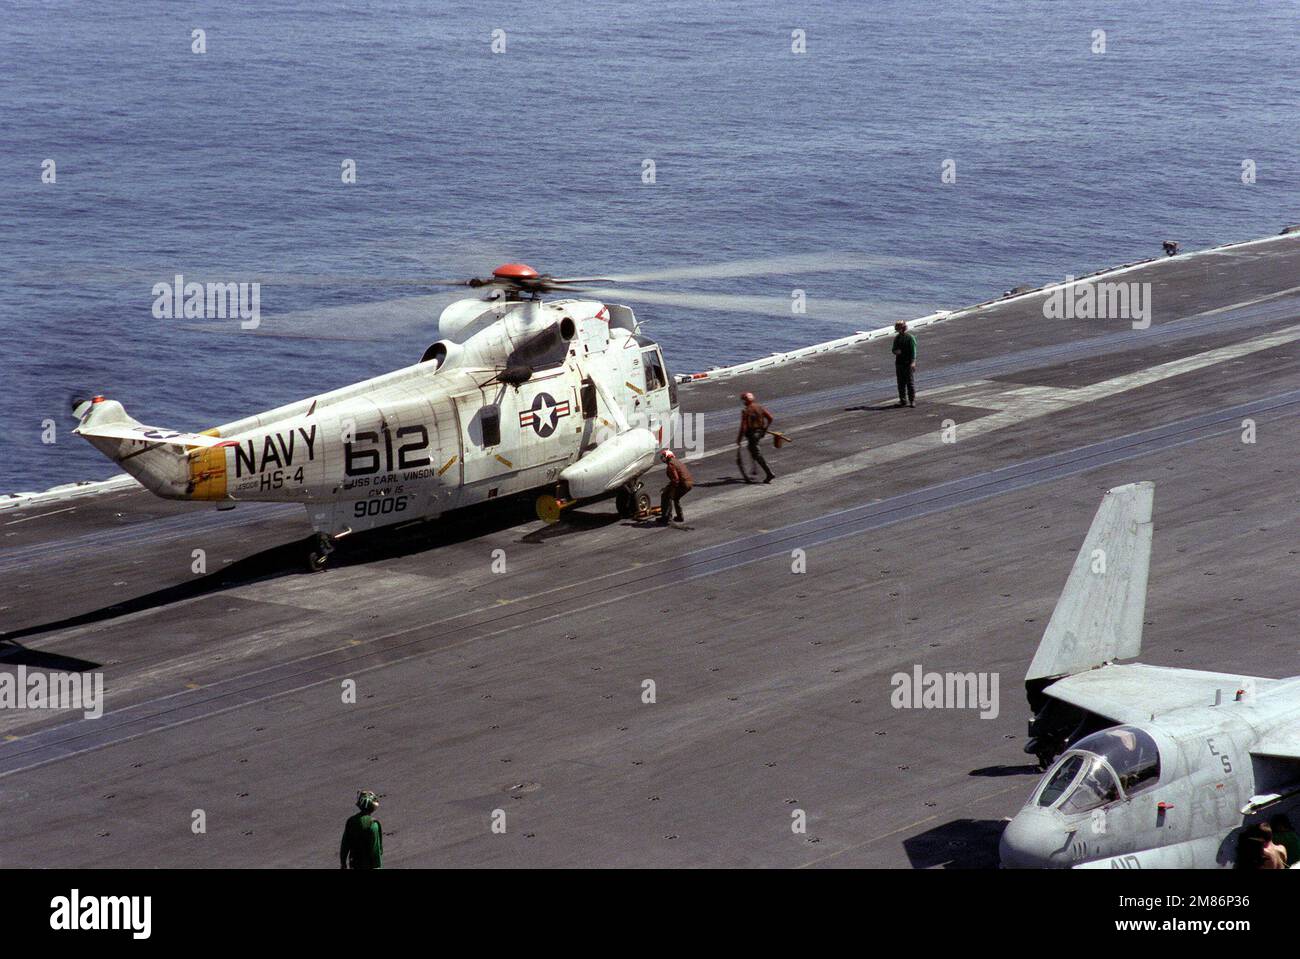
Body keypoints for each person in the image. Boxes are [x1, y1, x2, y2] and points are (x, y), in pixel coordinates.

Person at [736, 392, 775, 483]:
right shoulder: (759, 407)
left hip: (752, 434)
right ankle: (754, 468)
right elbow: (770, 418)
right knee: (751, 449)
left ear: (745, 400)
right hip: (759, 433)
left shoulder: (746, 411)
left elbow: (743, 427)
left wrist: (739, 439)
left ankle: (769, 473)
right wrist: (765, 429)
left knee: (756, 453)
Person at [340, 790, 384, 869]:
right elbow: (376, 850)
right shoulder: (373, 824)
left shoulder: (351, 821)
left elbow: (345, 845)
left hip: (354, 864)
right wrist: (378, 867)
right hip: (369, 865)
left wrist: (343, 863)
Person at [656, 449, 693, 524]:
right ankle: (679, 516)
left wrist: (668, 489)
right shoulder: (676, 461)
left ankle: (666, 518)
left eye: (663, 457)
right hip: (689, 483)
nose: (662, 459)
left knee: (666, 496)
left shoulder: (671, 465)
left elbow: (676, 480)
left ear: (668, 456)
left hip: (683, 484)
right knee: (675, 498)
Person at [891, 320, 917, 407]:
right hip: (899, 363)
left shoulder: (910, 338)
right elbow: (893, 349)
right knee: (900, 383)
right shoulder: (897, 338)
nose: (898, 330)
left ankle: (912, 400)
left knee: (910, 383)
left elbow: (914, 351)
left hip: (908, 362)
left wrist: (913, 362)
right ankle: (902, 400)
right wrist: (895, 352)